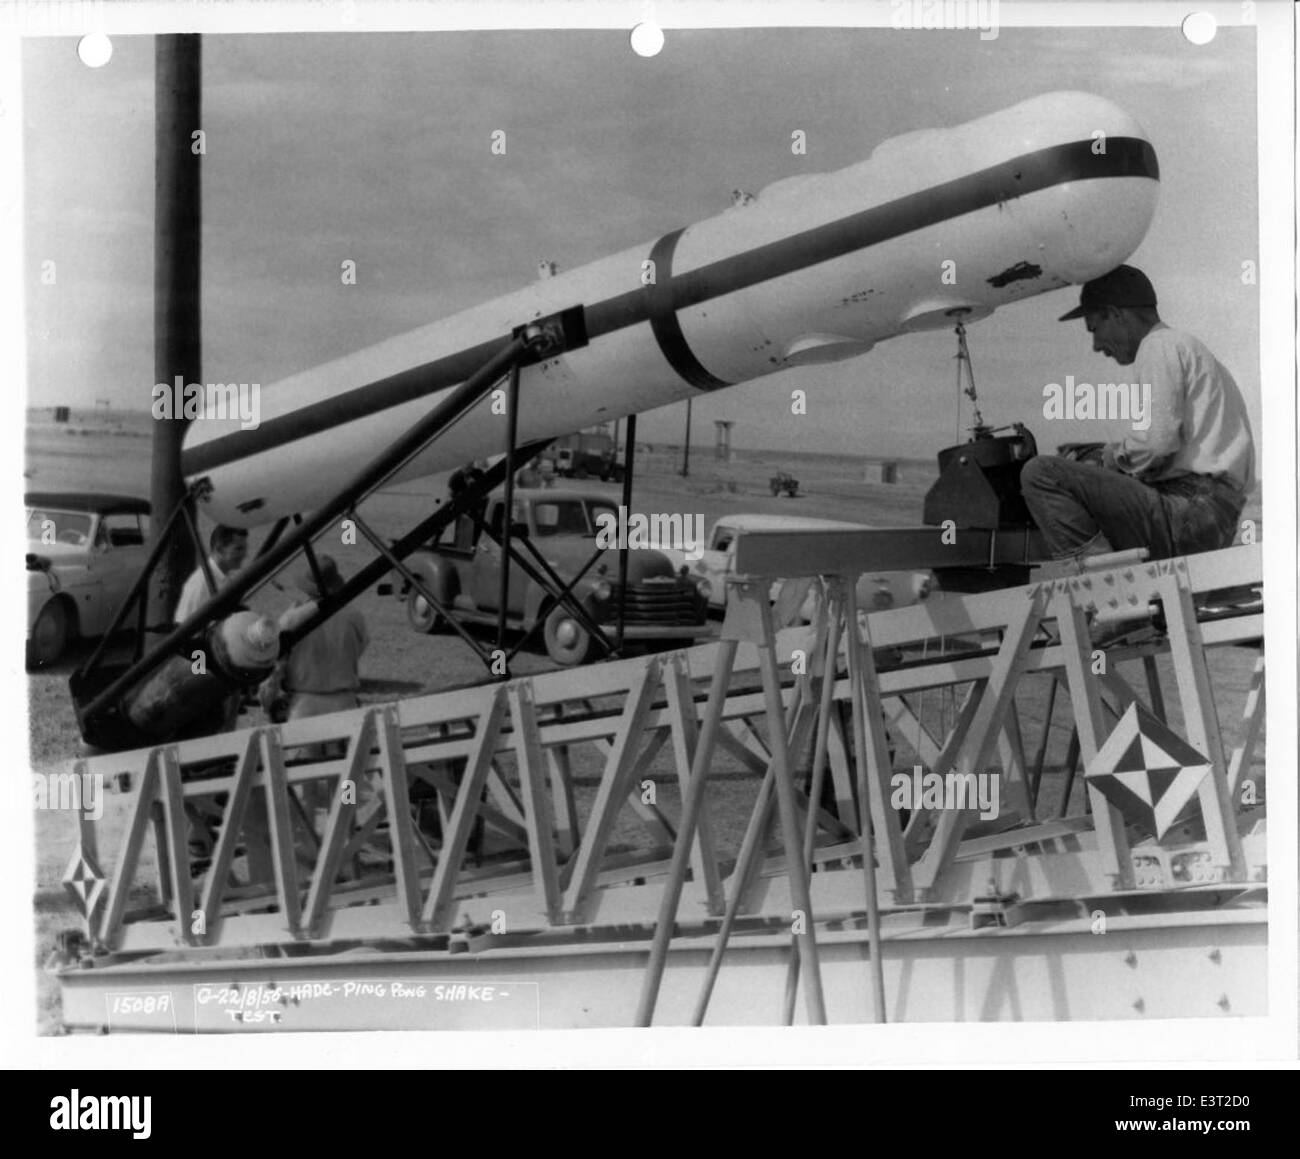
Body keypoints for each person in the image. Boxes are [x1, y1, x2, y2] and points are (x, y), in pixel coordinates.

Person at [1020, 265, 1255, 565]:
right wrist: (1108, 456)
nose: (1096, 346)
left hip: (1190, 513)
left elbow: (1157, 444)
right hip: (1213, 518)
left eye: (1095, 329)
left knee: (1041, 474)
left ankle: (1106, 585)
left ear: (1117, 314)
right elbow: (1165, 445)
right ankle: (1115, 576)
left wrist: (1108, 458)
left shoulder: (1157, 346)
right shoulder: (1185, 347)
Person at [174, 525, 249, 624]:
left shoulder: (227, 579)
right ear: (219, 549)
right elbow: (184, 629)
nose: (245, 555)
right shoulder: (200, 584)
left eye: (244, 549)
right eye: (238, 549)